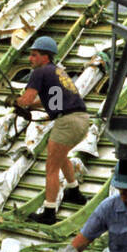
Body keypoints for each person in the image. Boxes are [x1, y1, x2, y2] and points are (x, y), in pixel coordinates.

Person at [14, 36, 89, 225]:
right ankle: (74, 192)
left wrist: (15, 102)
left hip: (67, 122)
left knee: (51, 168)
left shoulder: (39, 73)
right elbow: (52, 103)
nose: (30, 59)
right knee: (60, 156)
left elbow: (26, 99)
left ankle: (49, 212)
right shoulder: (57, 72)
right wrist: (30, 106)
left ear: (45, 57)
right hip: (81, 119)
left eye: (34, 55)